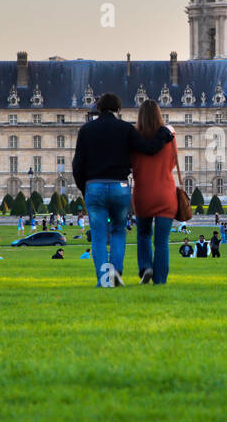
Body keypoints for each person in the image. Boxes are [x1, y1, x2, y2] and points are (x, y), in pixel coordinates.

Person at [72, 92, 173, 287]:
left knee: (99, 237)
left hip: (94, 186)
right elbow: (149, 148)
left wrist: (85, 188)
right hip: (120, 186)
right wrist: (164, 133)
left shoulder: (86, 130)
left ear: (99, 109)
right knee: (118, 231)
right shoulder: (125, 129)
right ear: (118, 110)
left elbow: (77, 166)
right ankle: (116, 271)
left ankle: (104, 279)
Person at [130, 99, 180, 285]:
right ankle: (159, 281)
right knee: (161, 242)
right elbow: (173, 163)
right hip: (166, 193)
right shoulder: (170, 135)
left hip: (143, 193)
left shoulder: (134, 137)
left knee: (143, 235)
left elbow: (130, 163)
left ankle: (145, 267)